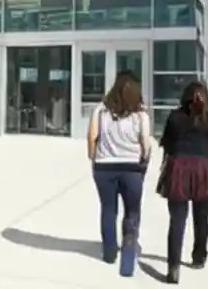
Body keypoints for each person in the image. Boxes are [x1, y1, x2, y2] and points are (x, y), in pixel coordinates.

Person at [157, 80, 208, 285]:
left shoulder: (175, 117)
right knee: (202, 217)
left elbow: (167, 143)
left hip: (179, 167)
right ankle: (198, 257)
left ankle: (173, 267)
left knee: (177, 219)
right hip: (204, 170)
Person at [87, 70, 151, 275]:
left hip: (104, 167)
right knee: (132, 211)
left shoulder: (101, 110)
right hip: (132, 168)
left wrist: (93, 158)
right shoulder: (140, 114)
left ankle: (109, 252)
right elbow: (146, 143)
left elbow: (92, 136)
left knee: (108, 209)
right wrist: (144, 162)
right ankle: (129, 248)